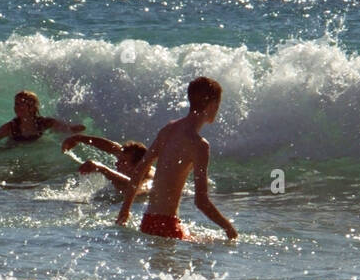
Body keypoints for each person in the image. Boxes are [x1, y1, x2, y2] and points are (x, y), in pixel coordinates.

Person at [115, 76, 237, 240]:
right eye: (218, 105)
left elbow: (139, 170)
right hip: (167, 226)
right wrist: (228, 228)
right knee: (213, 246)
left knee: (199, 238)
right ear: (213, 104)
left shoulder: (169, 129)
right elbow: (201, 201)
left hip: (147, 222)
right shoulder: (199, 145)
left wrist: (124, 212)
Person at [61, 133, 152, 201]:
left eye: (123, 162)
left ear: (138, 165)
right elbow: (110, 146)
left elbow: (136, 189)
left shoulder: (150, 179)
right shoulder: (130, 156)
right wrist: (77, 138)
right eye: (119, 160)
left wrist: (102, 169)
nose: (117, 164)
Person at [0, 90, 84, 147]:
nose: (17, 107)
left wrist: (75, 129)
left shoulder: (44, 123)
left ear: (32, 107)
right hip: (13, 148)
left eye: (21, 104)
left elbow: (66, 129)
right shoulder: (11, 127)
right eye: (16, 104)